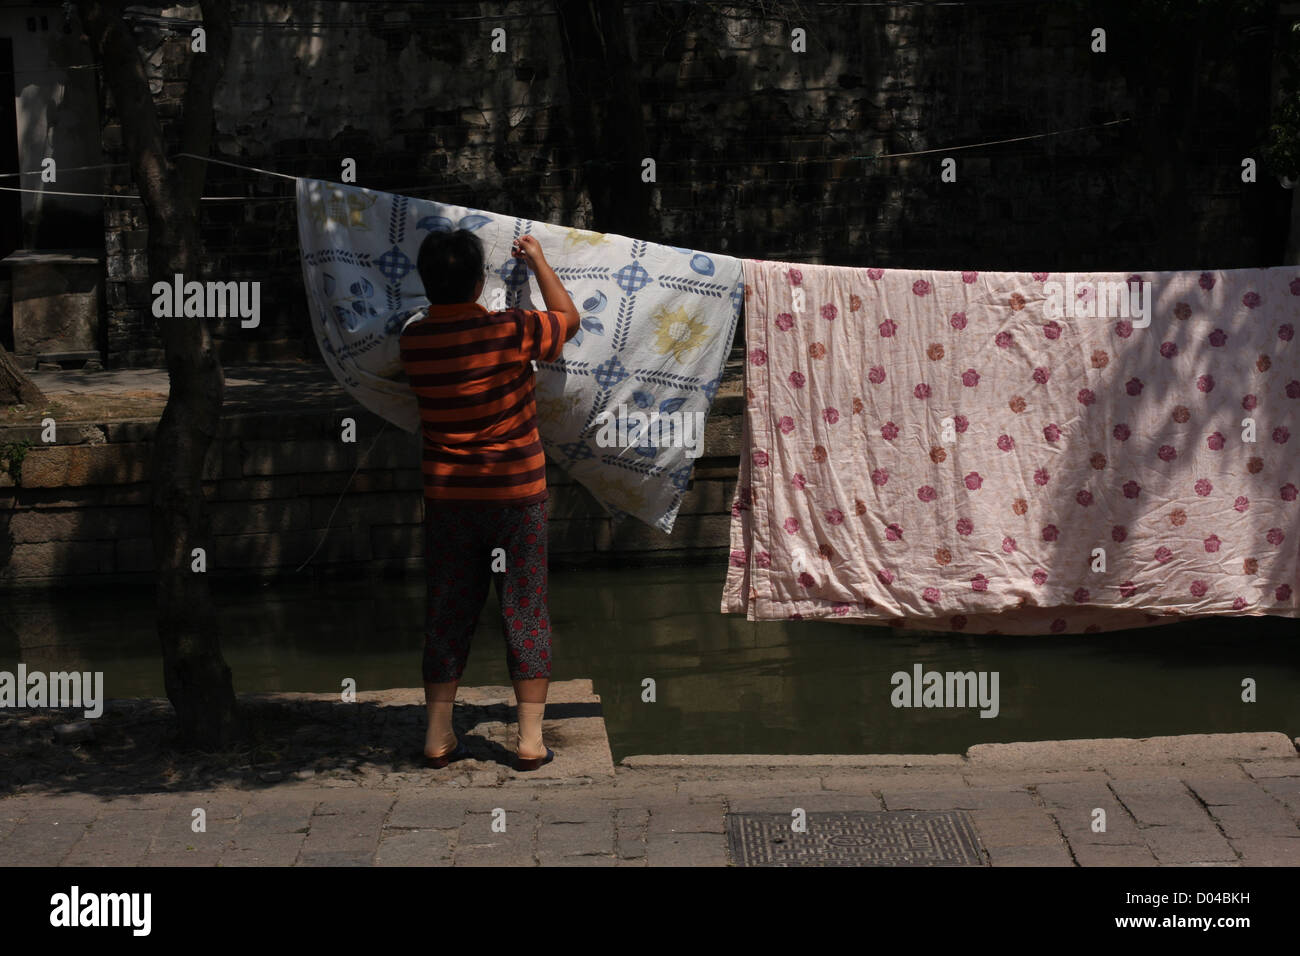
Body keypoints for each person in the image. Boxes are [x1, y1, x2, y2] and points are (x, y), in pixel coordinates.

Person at [399, 229, 579, 771]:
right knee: (524, 608)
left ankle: (437, 736)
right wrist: (541, 262)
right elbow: (568, 319)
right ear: (481, 284)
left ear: (427, 285)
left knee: (449, 609)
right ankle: (528, 741)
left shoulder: (414, 342)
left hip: (450, 497)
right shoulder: (510, 330)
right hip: (515, 495)